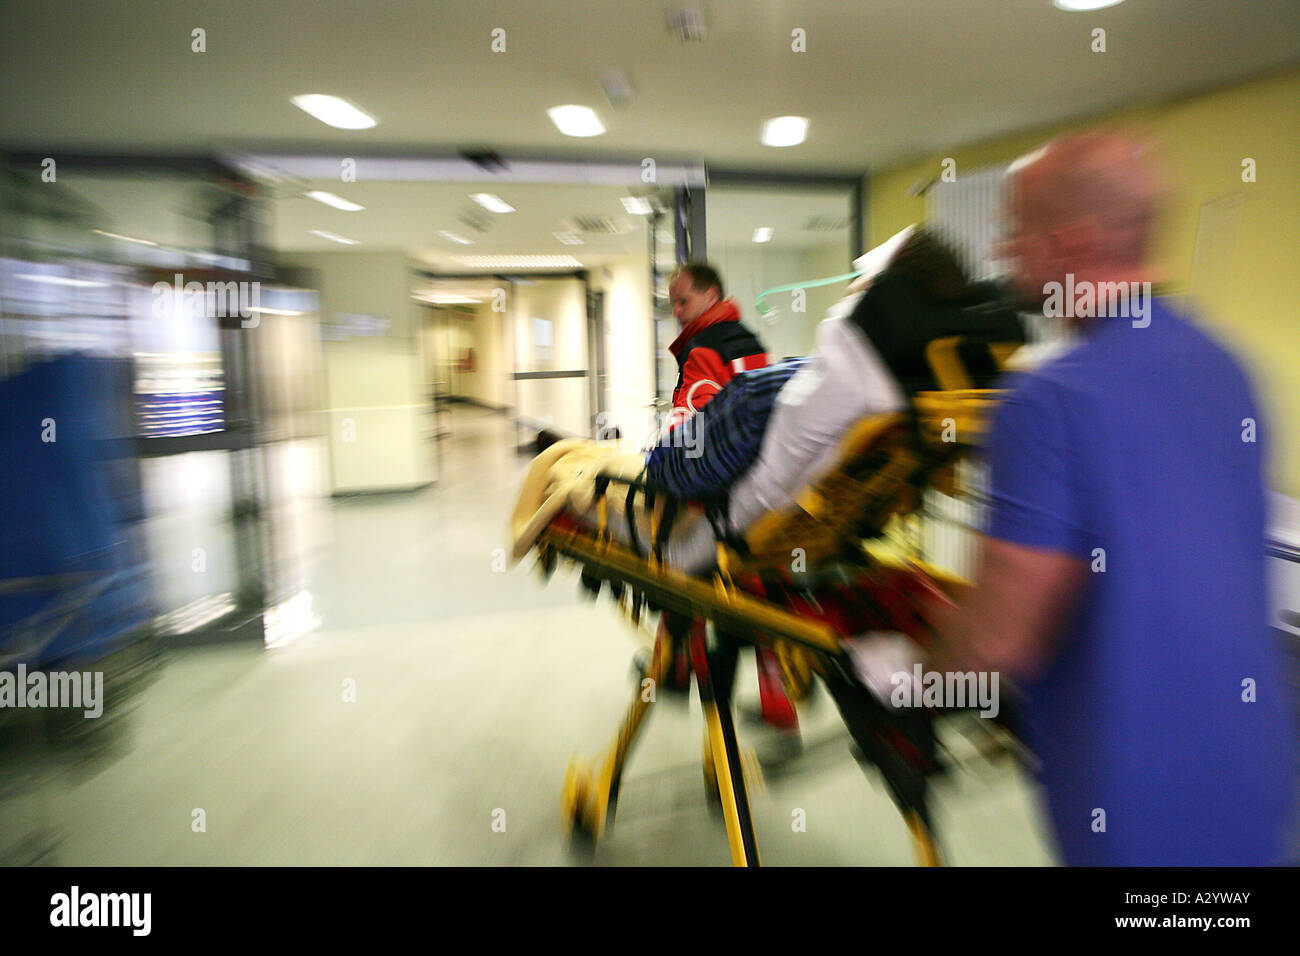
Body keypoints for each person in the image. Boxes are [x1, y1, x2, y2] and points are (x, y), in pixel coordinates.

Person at [926, 131, 1295, 865]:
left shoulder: (1045, 400)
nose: (1001, 254)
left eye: (1013, 231)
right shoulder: (1231, 367)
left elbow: (999, 642)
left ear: (1069, 243)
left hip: (1132, 813)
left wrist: (906, 666)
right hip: (1258, 783)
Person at [658, 262, 796, 732]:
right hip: (763, 488)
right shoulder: (751, 342)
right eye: (673, 303)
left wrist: (658, 461)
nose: (677, 312)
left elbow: (690, 434)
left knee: (674, 564)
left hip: (716, 495)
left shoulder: (701, 350)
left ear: (711, 294)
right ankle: (778, 698)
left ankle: (680, 667)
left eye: (684, 301)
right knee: (763, 586)